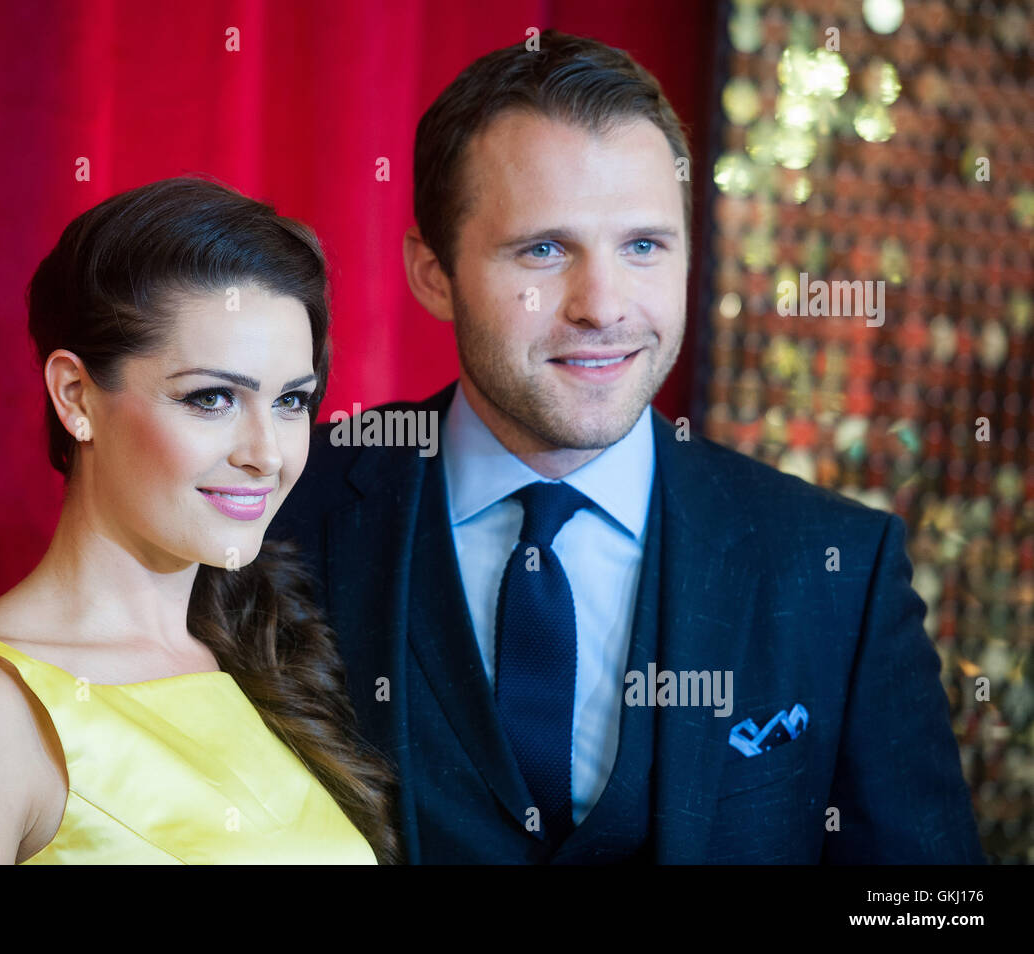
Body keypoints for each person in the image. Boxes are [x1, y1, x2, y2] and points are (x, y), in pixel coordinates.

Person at [268, 30, 985, 864]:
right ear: (433, 272)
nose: (602, 305)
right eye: (544, 249)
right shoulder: (277, 501)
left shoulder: (837, 568)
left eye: (643, 246)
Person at [0, 177, 397, 864]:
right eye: (211, 398)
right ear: (76, 396)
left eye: (291, 402)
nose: (267, 454)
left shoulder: (264, 652)